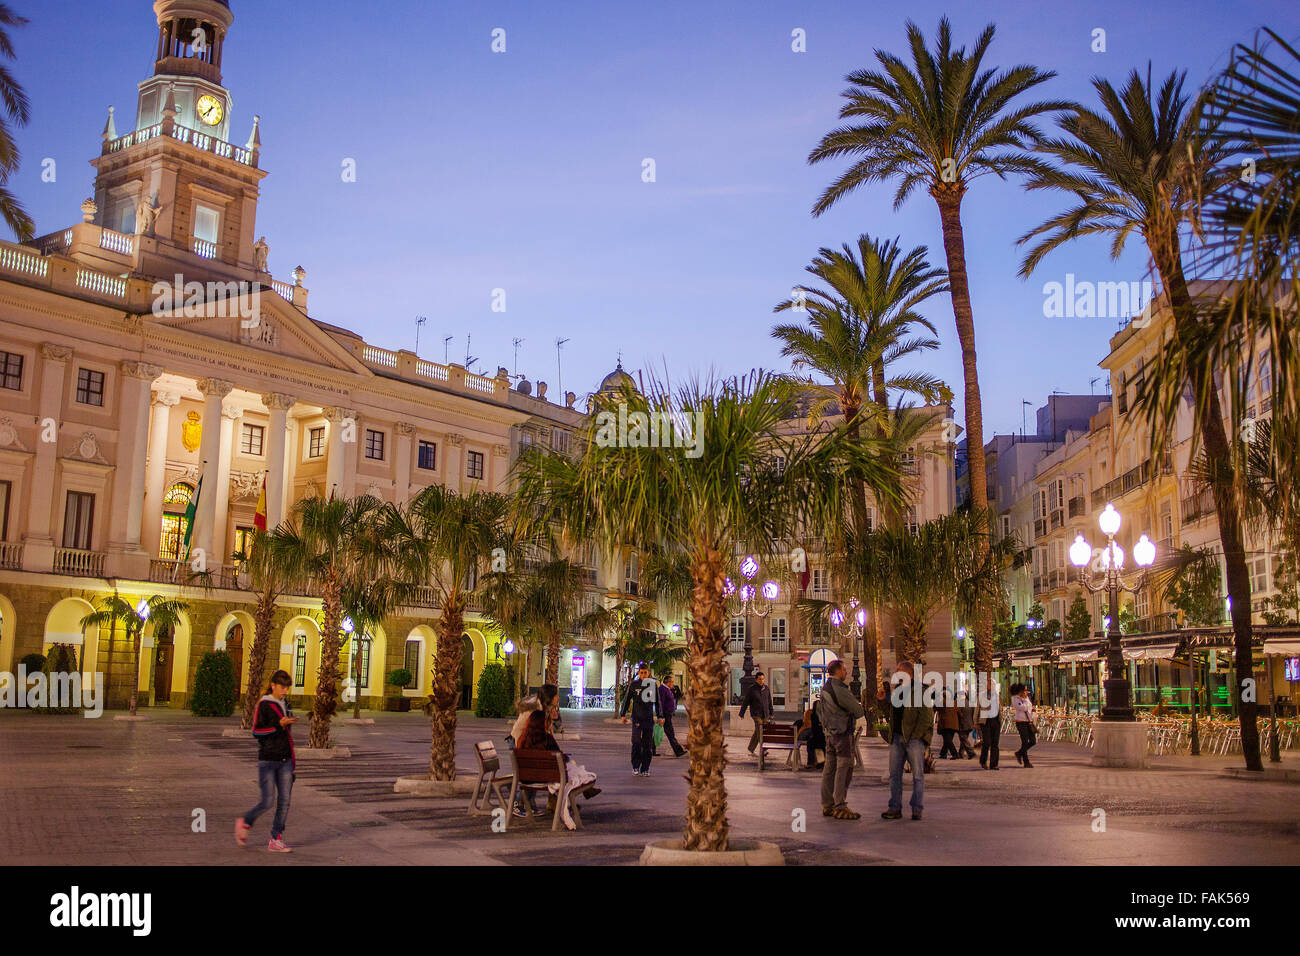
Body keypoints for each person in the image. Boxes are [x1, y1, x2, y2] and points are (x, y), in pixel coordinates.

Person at [235, 670, 298, 852]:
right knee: (267, 801)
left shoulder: (286, 703)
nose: (285, 691)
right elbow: (257, 732)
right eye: (282, 687)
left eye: (287, 688)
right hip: (268, 760)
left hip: (285, 759)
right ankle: (246, 821)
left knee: (285, 801)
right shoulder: (264, 705)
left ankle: (276, 838)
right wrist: (279, 725)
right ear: (273, 685)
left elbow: (287, 733)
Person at [516, 710, 600, 829]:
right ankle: (588, 788)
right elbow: (559, 757)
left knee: (570, 766)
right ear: (543, 723)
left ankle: (587, 790)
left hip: (527, 779)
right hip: (549, 778)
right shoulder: (547, 738)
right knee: (571, 766)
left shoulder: (522, 740)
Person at [883, 662, 933, 821]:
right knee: (894, 775)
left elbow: (926, 718)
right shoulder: (897, 691)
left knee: (918, 775)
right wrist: (882, 701)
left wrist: (916, 736)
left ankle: (917, 808)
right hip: (897, 738)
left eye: (899, 671)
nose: (896, 674)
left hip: (913, 740)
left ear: (908, 674)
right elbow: (891, 714)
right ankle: (894, 807)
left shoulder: (920, 691)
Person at [817, 660, 865, 819]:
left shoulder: (825, 688)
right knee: (844, 767)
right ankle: (840, 805)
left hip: (829, 734)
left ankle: (827, 804)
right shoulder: (839, 689)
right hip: (842, 734)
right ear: (838, 671)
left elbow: (819, 710)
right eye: (844, 670)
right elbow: (858, 711)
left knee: (829, 769)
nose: (846, 672)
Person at [619, 664, 662, 775]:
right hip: (637, 718)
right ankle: (635, 766)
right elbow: (627, 699)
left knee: (647, 745)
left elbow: (658, 702)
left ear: (648, 673)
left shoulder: (653, 685)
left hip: (648, 719)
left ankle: (645, 768)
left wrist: (660, 716)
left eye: (645, 673)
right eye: (641, 672)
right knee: (636, 742)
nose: (643, 675)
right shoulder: (634, 685)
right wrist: (623, 714)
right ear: (639, 673)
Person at [739, 671, 774, 758]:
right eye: (759, 679)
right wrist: (742, 712)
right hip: (756, 714)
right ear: (756, 680)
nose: (761, 681)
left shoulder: (766, 689)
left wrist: (771, 712)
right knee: (760, 730)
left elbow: (769, 701)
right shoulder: (752, 689)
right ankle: (763, 749)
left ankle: (751, 748)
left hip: (765, 713)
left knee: (758, 732)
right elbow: (746, 701)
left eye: (762, 679)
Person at [658, 675, 686, 757]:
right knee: (670, 733)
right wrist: (661, 716)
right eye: (672, 682)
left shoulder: (667, 689)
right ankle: (678, 751)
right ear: (668, 682)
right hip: (665, 715)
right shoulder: (662, 689)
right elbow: (661, 703)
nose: (673, 683)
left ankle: (651, 749)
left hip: (668, 714)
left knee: (661, 732)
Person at [1011, 682, 1037, 768]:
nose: (1026, 692)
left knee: (1033, 741)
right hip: (1020, 722)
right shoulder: (1015, 699)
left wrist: (1027, 702)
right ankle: (1026, 762)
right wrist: (1026, 702)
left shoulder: (1026, 698)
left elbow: (1029, 706)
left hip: (1028, 721)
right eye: (1025, 690)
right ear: (1021, 691)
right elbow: (1023, 707)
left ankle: (1019, 753)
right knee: (1025, 741)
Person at [979, 672, 1001, 770]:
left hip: (995, 721)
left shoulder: (997, 696)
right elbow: (977, 709)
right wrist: (976, 722)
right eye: (989, 684)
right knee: (987, 742)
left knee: (995, 743)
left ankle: (994, 764)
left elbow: (1000, 707)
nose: (990, 686)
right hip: (986, 721)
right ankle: (983, 761)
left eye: (992, 684)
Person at [797, 701, 825, 770]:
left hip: (815, 737)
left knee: (811, 743)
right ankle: (821, 762)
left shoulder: (810, 713)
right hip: (821, 738)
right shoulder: (823, 714)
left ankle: (811, 763)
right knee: (819, 744)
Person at [937, 693, 961, 759]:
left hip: (946, 724)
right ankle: (943, 754)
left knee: (948, 740)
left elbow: (935, 708)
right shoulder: (954, 703)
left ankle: (955, 754)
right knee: (947, 740)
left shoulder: (943, 702)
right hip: (954, 725)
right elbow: (959, 713)